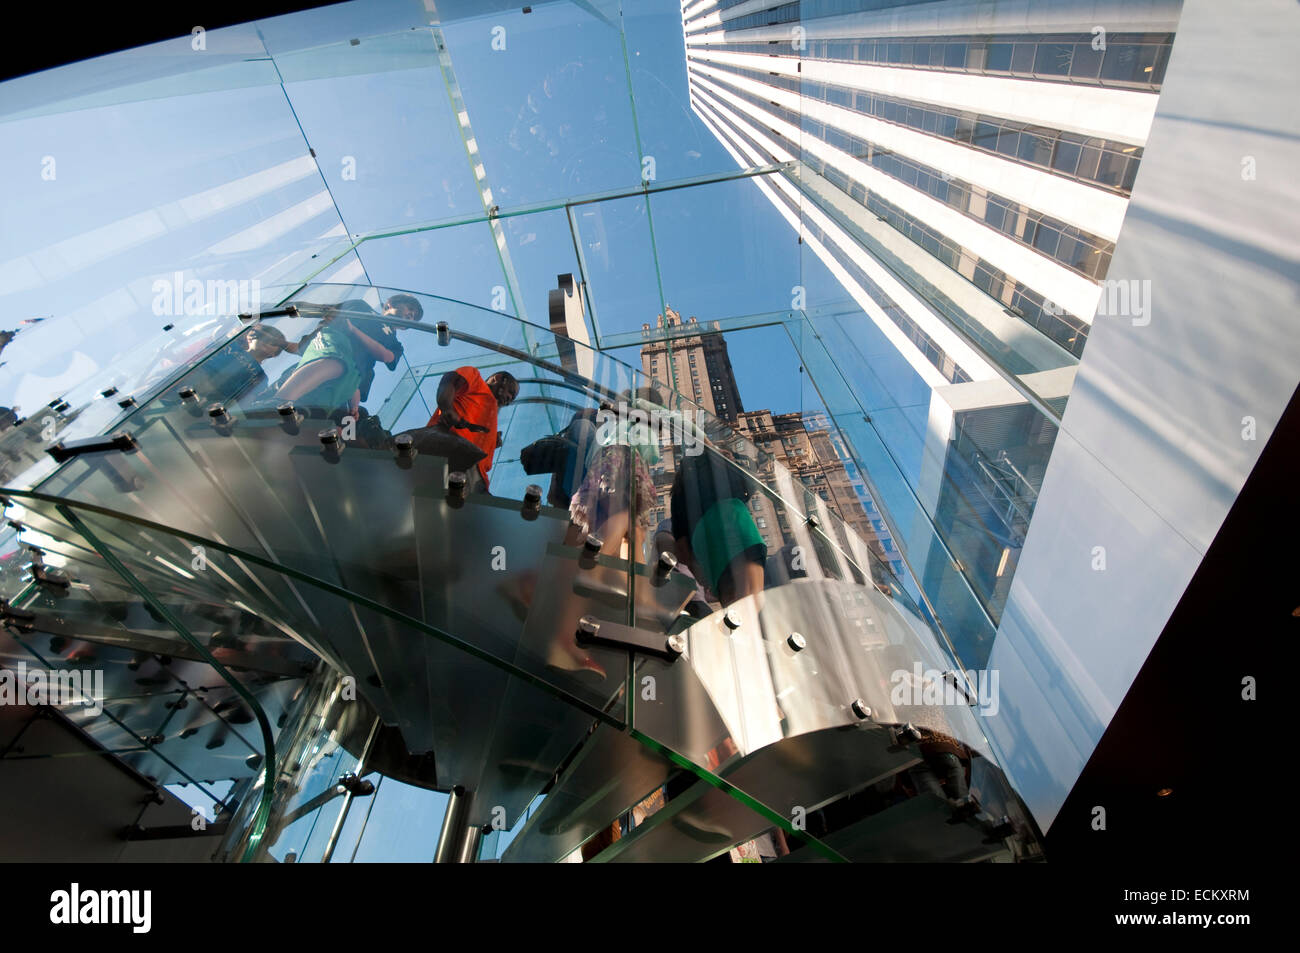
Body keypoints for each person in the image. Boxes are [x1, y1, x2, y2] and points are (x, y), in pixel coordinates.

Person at [670, 449, 767, 607]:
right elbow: (749, 486)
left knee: (735, 610)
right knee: (752, 604)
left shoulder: (679, 491)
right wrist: (729, 462)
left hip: (706, 547)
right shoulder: (722, 465)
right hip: (734, 522)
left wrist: (702, 576)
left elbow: (681, 549)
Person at [427, 367, 518, 490]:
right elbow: (451, 379)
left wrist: (490, 441)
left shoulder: (491, 415)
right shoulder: (476, 380)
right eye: (510, 391)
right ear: (497, 378)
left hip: (476, 478)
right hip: (448, 452)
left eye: (512, 399)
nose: (509, 399)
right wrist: (447, 408)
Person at [179, 324, 287, 405]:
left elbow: (244, 402)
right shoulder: (230, 345)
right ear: (250, 338)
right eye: (263, 337)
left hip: (214, 399)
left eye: (274, 342)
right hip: (190, 380)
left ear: (274, 353)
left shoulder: (261, 377)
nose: (267, 342)